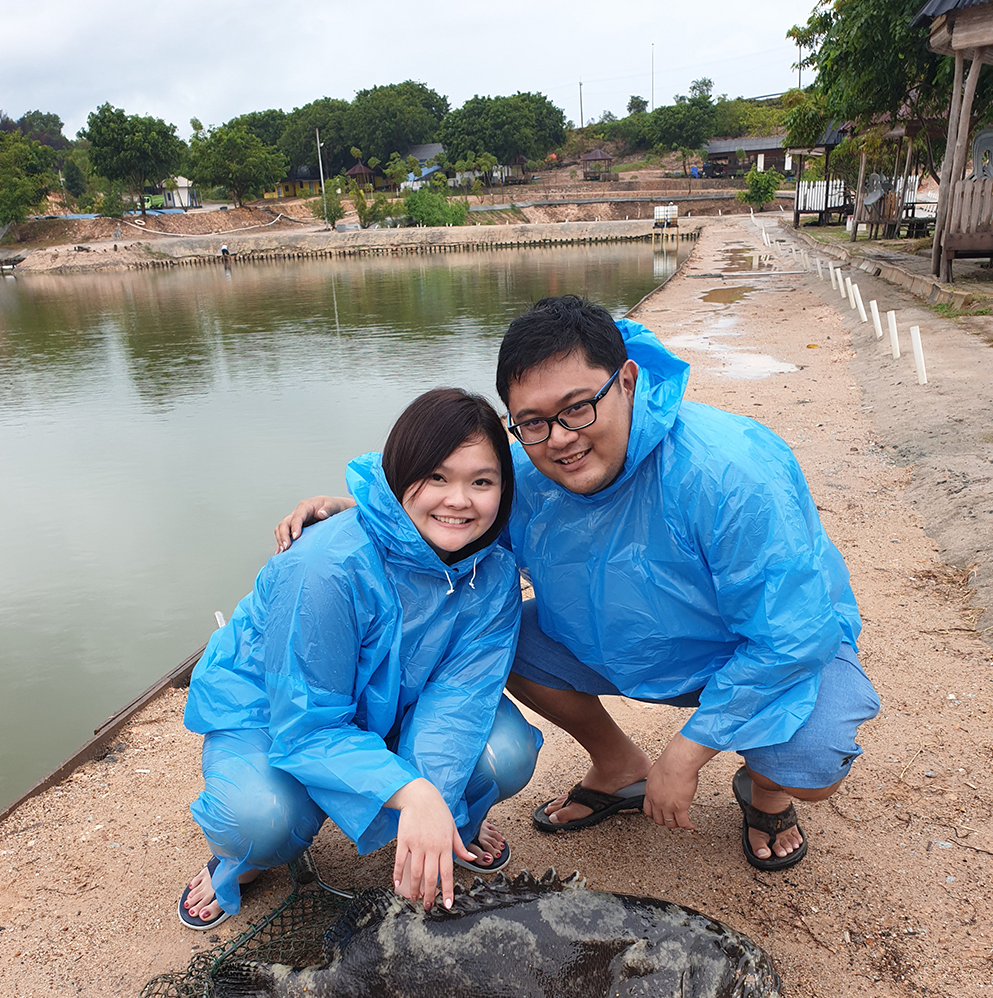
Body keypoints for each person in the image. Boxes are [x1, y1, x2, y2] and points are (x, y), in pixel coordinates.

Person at [276, 297, 879, 873]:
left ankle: (767, 794)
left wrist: (689, 749)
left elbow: (794, 634)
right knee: (505, 637)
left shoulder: (731, 472)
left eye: (577, 408)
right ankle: (617, 764)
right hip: (632, 644)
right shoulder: (529, 470)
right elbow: (450, 498)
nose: (559, 438)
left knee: (812, 759)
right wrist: (359, 510)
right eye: (532, 422)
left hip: (753, 654)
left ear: (627, 381)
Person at [180, 387, 542, 930]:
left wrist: (431, 800)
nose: (459, 500)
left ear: (503, 490)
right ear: (398, 478)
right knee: (260, 820)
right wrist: (409, 790)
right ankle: (245, 861)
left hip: (392, 702)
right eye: (436, 477)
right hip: (275, 713)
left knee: (505, 753)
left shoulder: (492, 575)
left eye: (481, 481)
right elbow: (306, 724)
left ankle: (449, 828)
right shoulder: (324, 567)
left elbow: (459, 702)